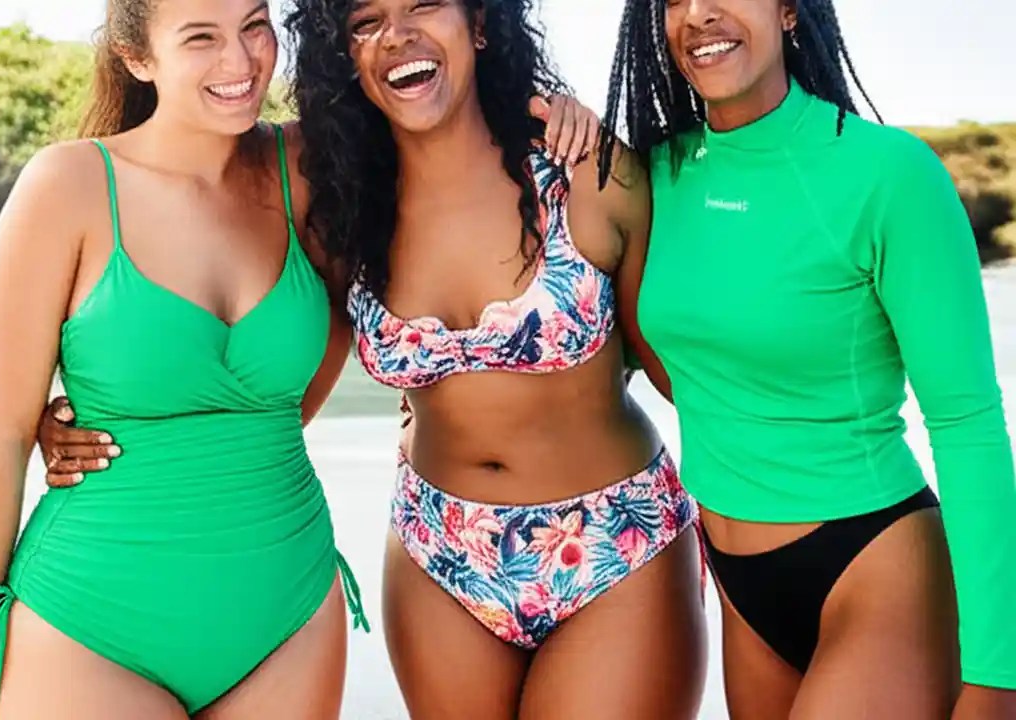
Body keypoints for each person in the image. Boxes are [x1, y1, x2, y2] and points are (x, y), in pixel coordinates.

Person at [40, 0, 706, 718]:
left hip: (615, 543)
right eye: (366, 23)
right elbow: (267, 402)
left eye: (426, 5)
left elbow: (698, 372)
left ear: (480, 23)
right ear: (344, 57)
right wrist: (104, 427)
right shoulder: (343, 207)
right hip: (439, 556)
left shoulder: (590, 174)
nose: (398, 36)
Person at [0, 1, 368, 717]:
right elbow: (4, 439)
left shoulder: (309, 168)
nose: (240, 62)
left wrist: (561, 110)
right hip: (92, 621)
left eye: (254, 25)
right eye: (201, 38)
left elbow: (443, 111)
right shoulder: (67, 188)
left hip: (288, 609)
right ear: (138, 56)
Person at [596, 0, 1016, 717]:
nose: (698, 14)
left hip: (873, 569)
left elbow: (969, 426)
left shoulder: (889, 174)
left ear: (790, 11)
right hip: (738, 585)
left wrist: (997, 675)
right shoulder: (650, 177)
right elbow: (646, 357)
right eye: (673, 0)